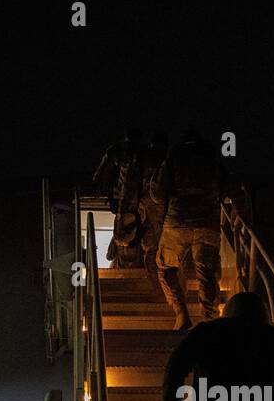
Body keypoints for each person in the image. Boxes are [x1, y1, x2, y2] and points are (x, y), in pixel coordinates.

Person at [149, 129, 228, 328]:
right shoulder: (213, 161)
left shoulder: (173, 159)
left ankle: (181, 314)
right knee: (206, 271)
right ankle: (209, 319)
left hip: (177, 222)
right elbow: (230, 188)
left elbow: (157, 195)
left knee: (167, 268)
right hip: (207, 225)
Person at [91, 129, 145, 267]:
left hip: (125, 204)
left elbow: (100, 176)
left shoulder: (116, 152)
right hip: (135, 204)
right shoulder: (142, 153)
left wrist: (107, 192)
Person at [137, 130, 170, 303]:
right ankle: (168, 293)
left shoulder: (144, 160)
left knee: (151, 252)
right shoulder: (170, 160)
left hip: (149, 212)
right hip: (167, 213)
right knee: (168, 255)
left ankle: (159, 291)